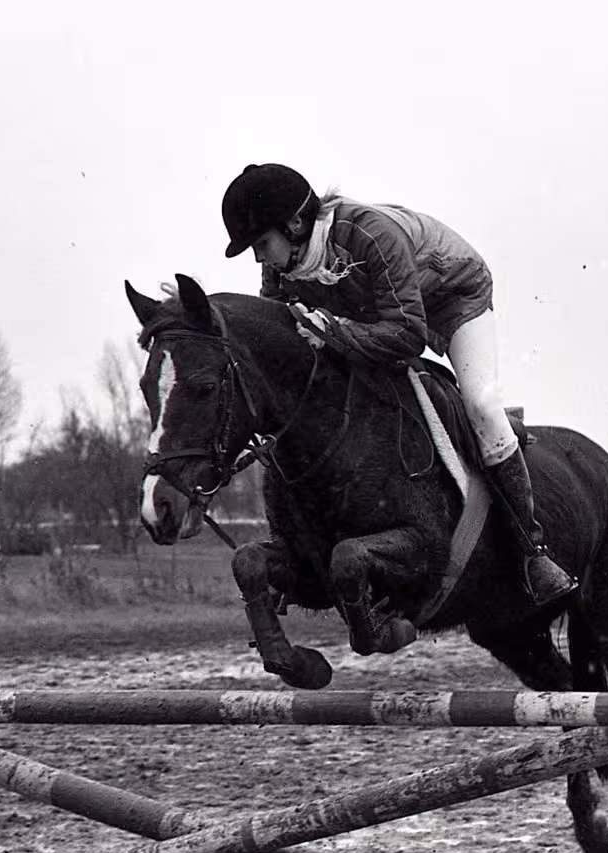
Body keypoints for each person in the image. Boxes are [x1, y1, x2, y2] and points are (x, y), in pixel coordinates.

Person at [220, 162, 577, 607]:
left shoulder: (369, 233)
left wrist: (332, 329)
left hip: (451, 298)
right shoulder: (283, 265)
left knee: (482, 404)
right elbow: (284, 339)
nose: (258, 258)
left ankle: (533, 551)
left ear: (294, 223)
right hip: (378, 309)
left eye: (261, 243)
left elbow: (407, 333)